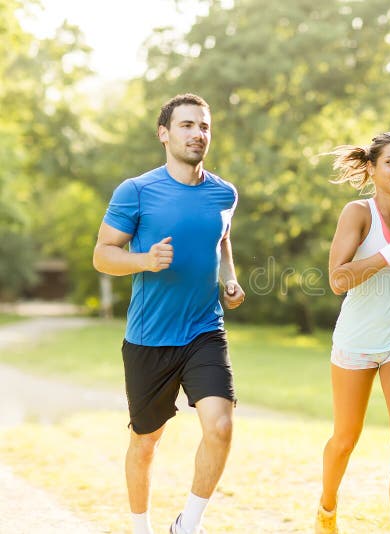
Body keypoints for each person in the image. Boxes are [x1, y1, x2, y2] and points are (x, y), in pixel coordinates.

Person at [92, 93, 245, 534]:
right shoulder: (136, 191)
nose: (198, 133)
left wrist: (229, 279)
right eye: (187, 125)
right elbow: (103, 254)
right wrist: (144, 260)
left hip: (204, 329)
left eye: (204, 126)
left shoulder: (224, 193)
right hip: (150, 337)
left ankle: (188, 525)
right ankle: (141, 527)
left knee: (220, 426)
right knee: (145, 442)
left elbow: (222, 239)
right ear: (164, 133)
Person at [316, 132, 390, 534]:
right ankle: (327, 506)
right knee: (345, 439)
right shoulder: (358, 214)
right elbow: (338, 280)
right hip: (357, 340)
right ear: (371, 168)